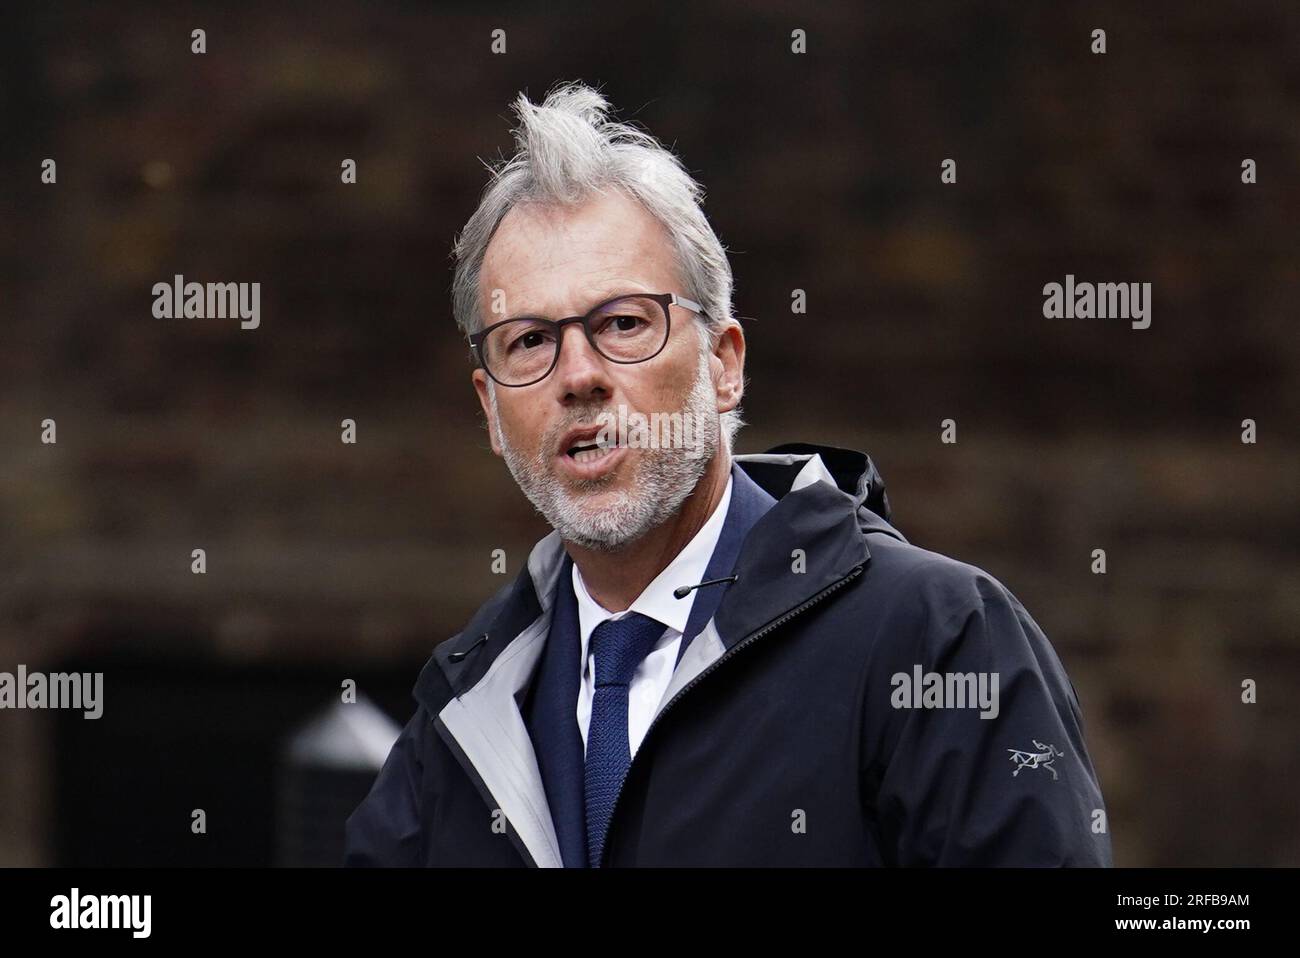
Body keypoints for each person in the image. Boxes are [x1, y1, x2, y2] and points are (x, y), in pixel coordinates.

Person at [343, 80, 1112, 867]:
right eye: (530, 341)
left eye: (623, 323)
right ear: (491, 410)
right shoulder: (463, 712)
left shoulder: (936, 640)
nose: (577, 376)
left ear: (724, 364)